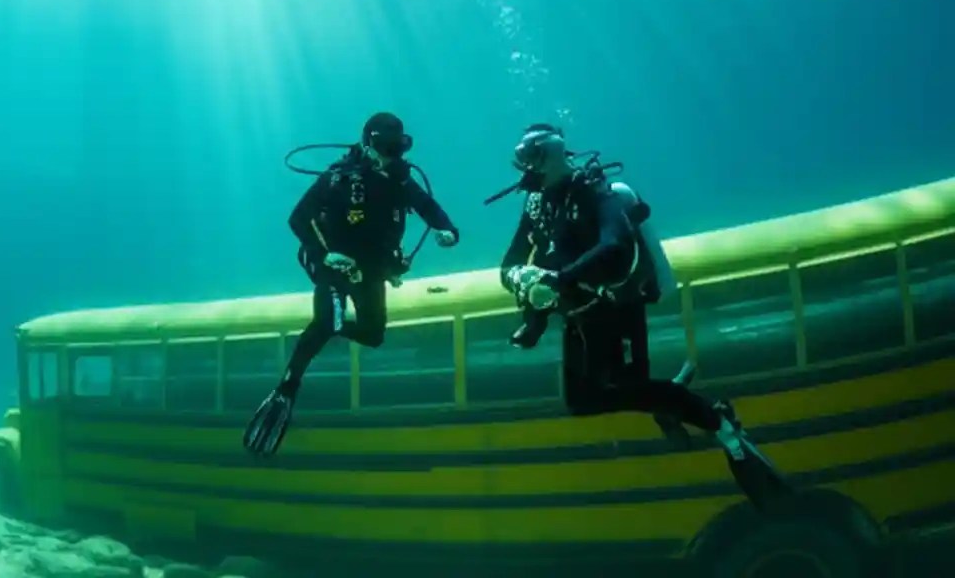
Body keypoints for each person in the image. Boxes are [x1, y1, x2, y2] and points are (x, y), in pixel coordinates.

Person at [495, 123, 790, 508]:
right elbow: (509, 261)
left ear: (550, 154)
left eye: (531, 159)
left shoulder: (591, 191)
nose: (525, 171)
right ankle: (668, 399)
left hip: (617, 307)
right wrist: (517, 278)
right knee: (582, 400)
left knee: (625, 381)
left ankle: (720, 423)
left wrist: (558, 277)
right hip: (577, 311)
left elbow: (614, 240)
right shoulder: (536, 205)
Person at [243, 112, 460, 456]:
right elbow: (298, 218)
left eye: (398, 149)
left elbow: (427, 206)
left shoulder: (401, 180)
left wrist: (446, 228)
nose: (393, 156)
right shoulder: (338, 178)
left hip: (372, 269)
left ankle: (330, 329)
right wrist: (323, 253)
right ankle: (287, 388)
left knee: (373, 334)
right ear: (370, 144)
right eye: (387, 148)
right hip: (334, 266)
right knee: (329, 320)